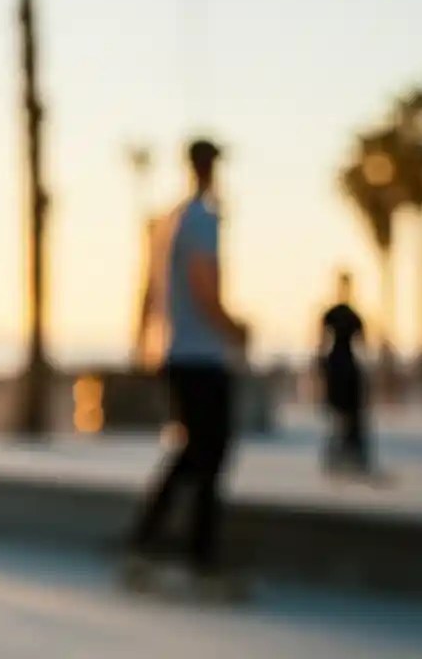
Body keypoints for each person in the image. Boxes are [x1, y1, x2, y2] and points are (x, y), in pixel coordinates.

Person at [123, 138, 249, 601]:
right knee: (210, 453)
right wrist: (235, 328)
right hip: (201, 355)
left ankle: (148, 543)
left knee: (192, 451)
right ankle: (198, 558)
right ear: (209, 167)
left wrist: (142, 344)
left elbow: (148, 288)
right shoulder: (201, 218)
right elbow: (202, 284)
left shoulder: (169, 220)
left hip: (175, 351)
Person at [318, 271, 374, 477]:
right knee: (338, 416)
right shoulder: (334, 314)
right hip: (338, 366)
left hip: (347, 366)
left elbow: (363, 345)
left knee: (353, 415)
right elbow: (321, 342)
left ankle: (353, 458)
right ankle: (338, 459)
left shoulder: (352, 315)